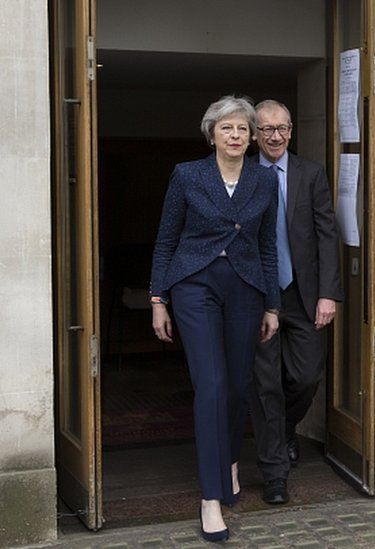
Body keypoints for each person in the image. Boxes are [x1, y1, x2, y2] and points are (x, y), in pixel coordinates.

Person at [150, 95, 280, 542]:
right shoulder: (188, 175)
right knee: (211, 385)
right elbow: (166, 239)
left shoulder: (264, 181)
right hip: (194, 285)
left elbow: (267, 246)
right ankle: (211, 498)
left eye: (243, 129)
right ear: (212, 135)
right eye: (227, 128)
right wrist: (157, 298)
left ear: (252, 137)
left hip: (245, 286)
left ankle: (228, 463)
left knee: (238, 384)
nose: (236, 136)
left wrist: (272, 305)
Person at [249, 99, 343, 504]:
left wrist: (328, 293)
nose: (275, 136)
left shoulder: (310, 174)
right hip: (258, 296)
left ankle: (284, 430)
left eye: (282, 128)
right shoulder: (242, 173)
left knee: (305, 377)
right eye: (267, 129)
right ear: (254, 133)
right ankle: (275, 471)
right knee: (265, 383)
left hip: (304, 295)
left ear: (291, 131)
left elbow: (327, 235)